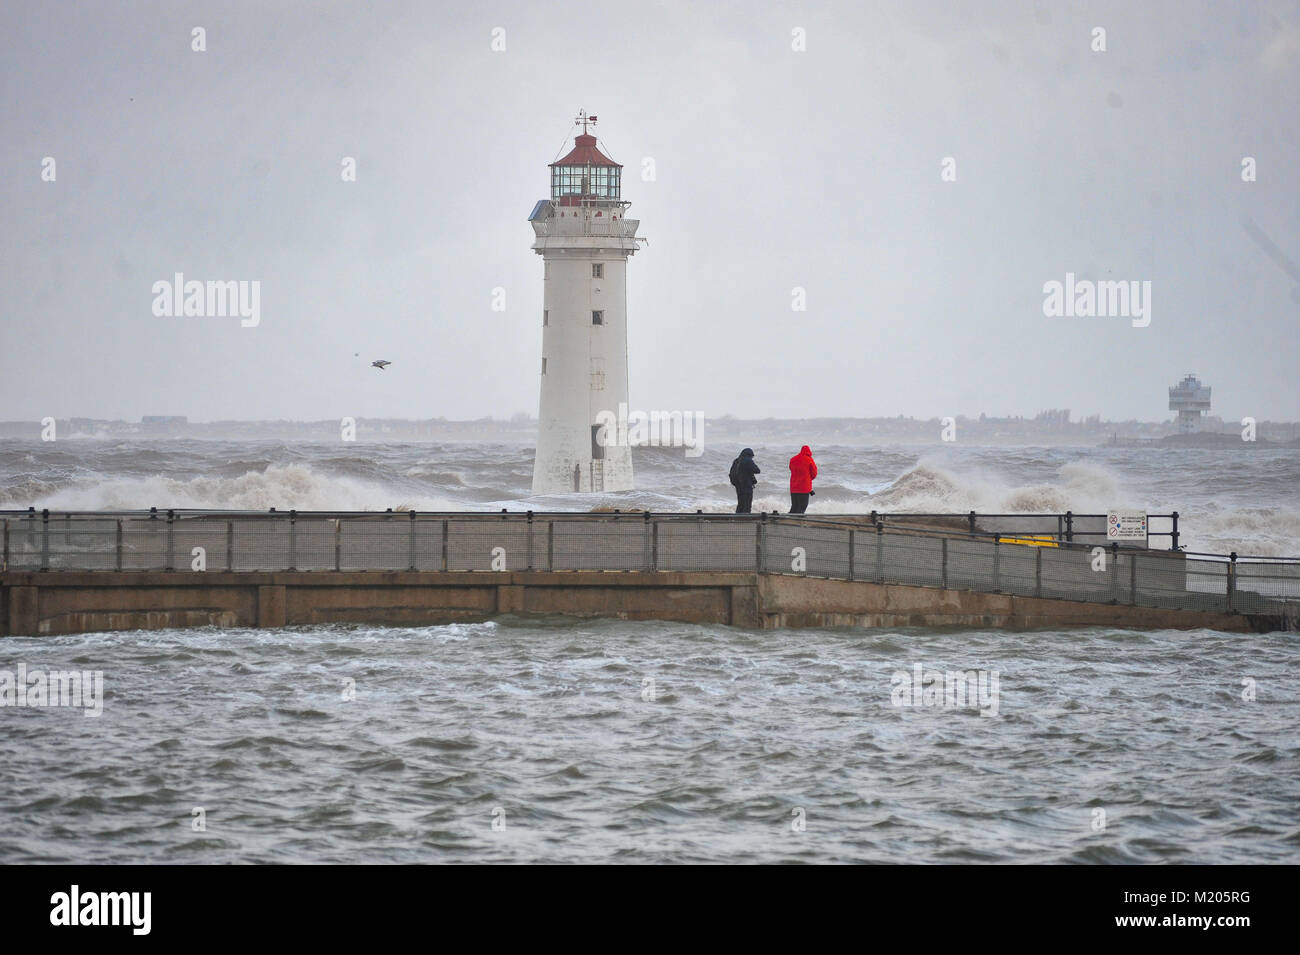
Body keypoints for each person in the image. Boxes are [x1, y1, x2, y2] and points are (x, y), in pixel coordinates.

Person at [728, 448, 760, 513]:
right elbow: (757, 470)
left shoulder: (736, 461)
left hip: (738, 486)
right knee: (747, 504)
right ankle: (746, 518)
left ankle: (737, 518)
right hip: (747, 485)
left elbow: (732, 473)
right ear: (750, 455)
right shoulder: (748, 460)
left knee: (740, 503)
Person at [788, 445, 817, 513]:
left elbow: (791, 469)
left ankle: (790, 519)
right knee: (803, 506)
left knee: (794, 506)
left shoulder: (793, 459)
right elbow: (814, 473)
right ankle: (798, 521)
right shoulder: (809, 460)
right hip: (804, 488)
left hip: (794, 487)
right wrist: (808, 479)